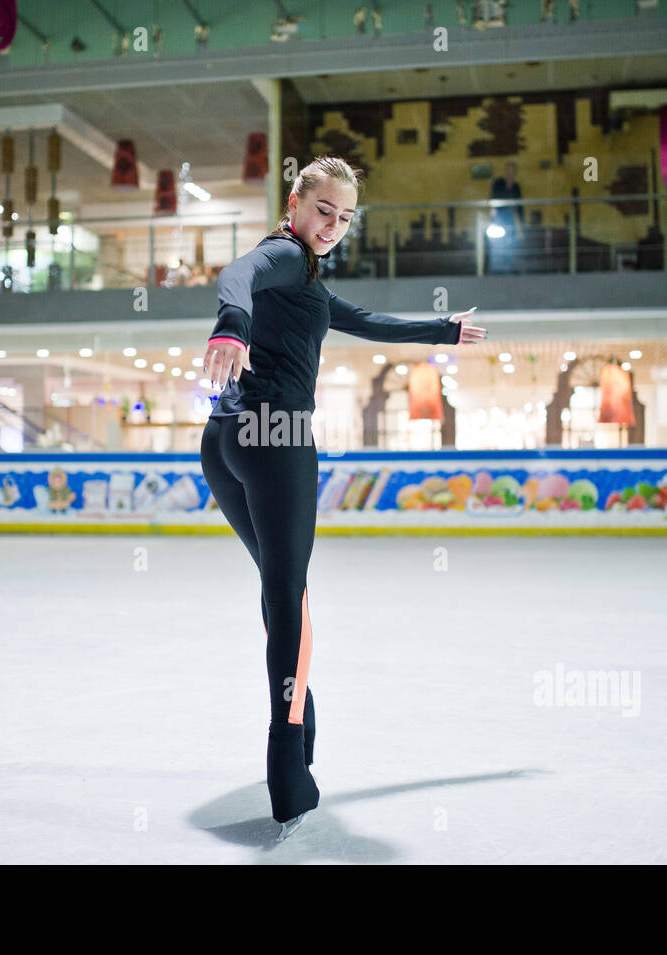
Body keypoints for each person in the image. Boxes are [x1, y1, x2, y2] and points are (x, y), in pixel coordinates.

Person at [200, 155, 487, 839]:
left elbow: (366, 320)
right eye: (323, 210)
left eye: (345, 218)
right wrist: (230, 322)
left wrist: (443, 332)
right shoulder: (281, 257)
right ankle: (287, 755)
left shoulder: (307, 281)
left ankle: (298, 719)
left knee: (283, 591)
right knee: (287, 595)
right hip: (275, 443)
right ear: (294, 203)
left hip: (226, 441)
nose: (332, 226)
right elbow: (233, 275)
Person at [489, 160, 524, 273]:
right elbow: (494, 198)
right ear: (505, 172)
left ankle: (507, 269)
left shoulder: (516, 187)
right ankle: (495, 268)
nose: (510, 174)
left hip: (510, 221)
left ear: (515, 173)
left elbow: (519, 207)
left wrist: (522, 225)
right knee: (497, 244)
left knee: (510, 244)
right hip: (499, 219)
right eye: (508, 171)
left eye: (512, 172)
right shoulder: (498, 183)